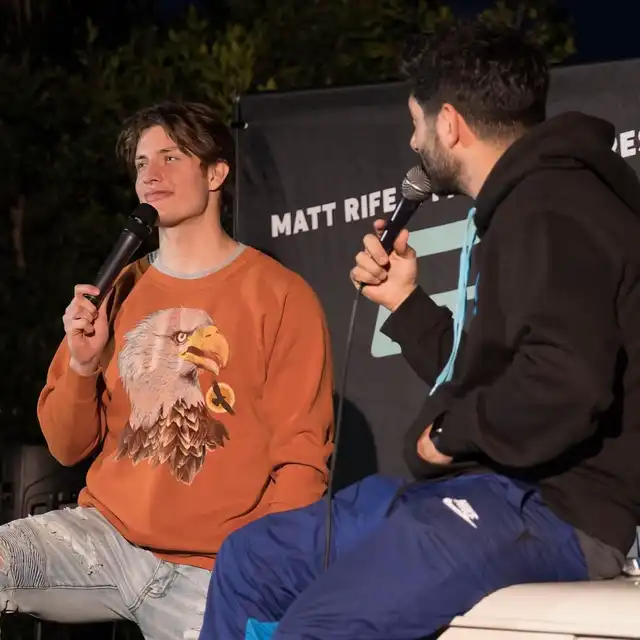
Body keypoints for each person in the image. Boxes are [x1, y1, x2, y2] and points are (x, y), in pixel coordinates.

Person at [198, 18, 640, 640]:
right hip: (482, 487)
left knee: (319, 627)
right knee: (252, 560)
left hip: (555, 509)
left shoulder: (556, 206)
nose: (413, 141)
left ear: (450, 124)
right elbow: (491, 373)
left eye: (416, 122)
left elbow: (565, 383)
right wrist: (404, 303)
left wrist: (450, 432)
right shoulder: (521, 209)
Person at [0, 102, 334, 639]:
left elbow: (301, 461)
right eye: (141, 163)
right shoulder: (117, 288)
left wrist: (262, 572)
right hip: (105, 540)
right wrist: (82, 364)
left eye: (171, 157)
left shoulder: (281, 296)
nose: (150, 175)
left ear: (216, 173)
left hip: (214, 568)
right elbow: (65, 446)